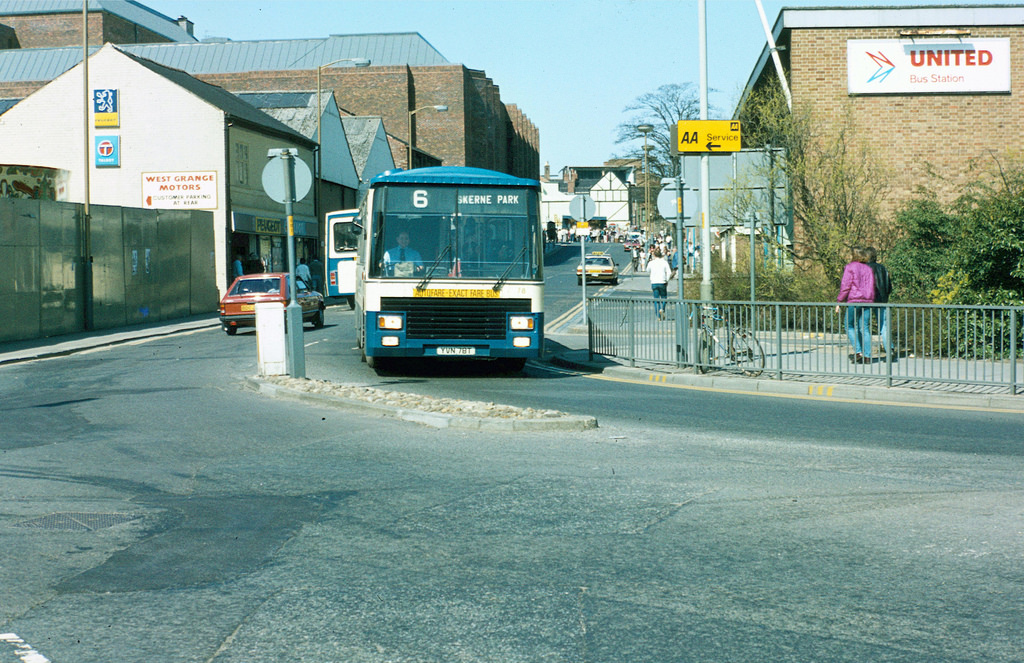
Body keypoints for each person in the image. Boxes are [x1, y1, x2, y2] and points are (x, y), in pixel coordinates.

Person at [836, 246, 876, 364]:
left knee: (849, 325)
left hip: (854, 300)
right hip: (868, 300)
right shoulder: (868, 268)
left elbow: (845, 286)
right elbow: (872, 285)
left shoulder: (850, 267)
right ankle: (868, 356)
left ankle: (858, 351)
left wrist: (839, 301)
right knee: (865, 327)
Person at [865, 246, 894, 360]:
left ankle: (866, 353)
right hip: (882, 301)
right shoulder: (883, 268)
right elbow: (889, 286)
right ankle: (889, 348)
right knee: (884, 326)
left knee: (864, 326)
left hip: (867, 301)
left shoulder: (864, 268)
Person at [648, 247, 673, 320]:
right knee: (664, 297)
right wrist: (666, 280)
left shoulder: (651, 263)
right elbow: (669, 273)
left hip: (654, 282)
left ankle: (658, 316)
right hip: (662, 282)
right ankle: (662, 309)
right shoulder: (664, 262)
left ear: (654, 255)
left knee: (656, 299)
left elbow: (647, 270)